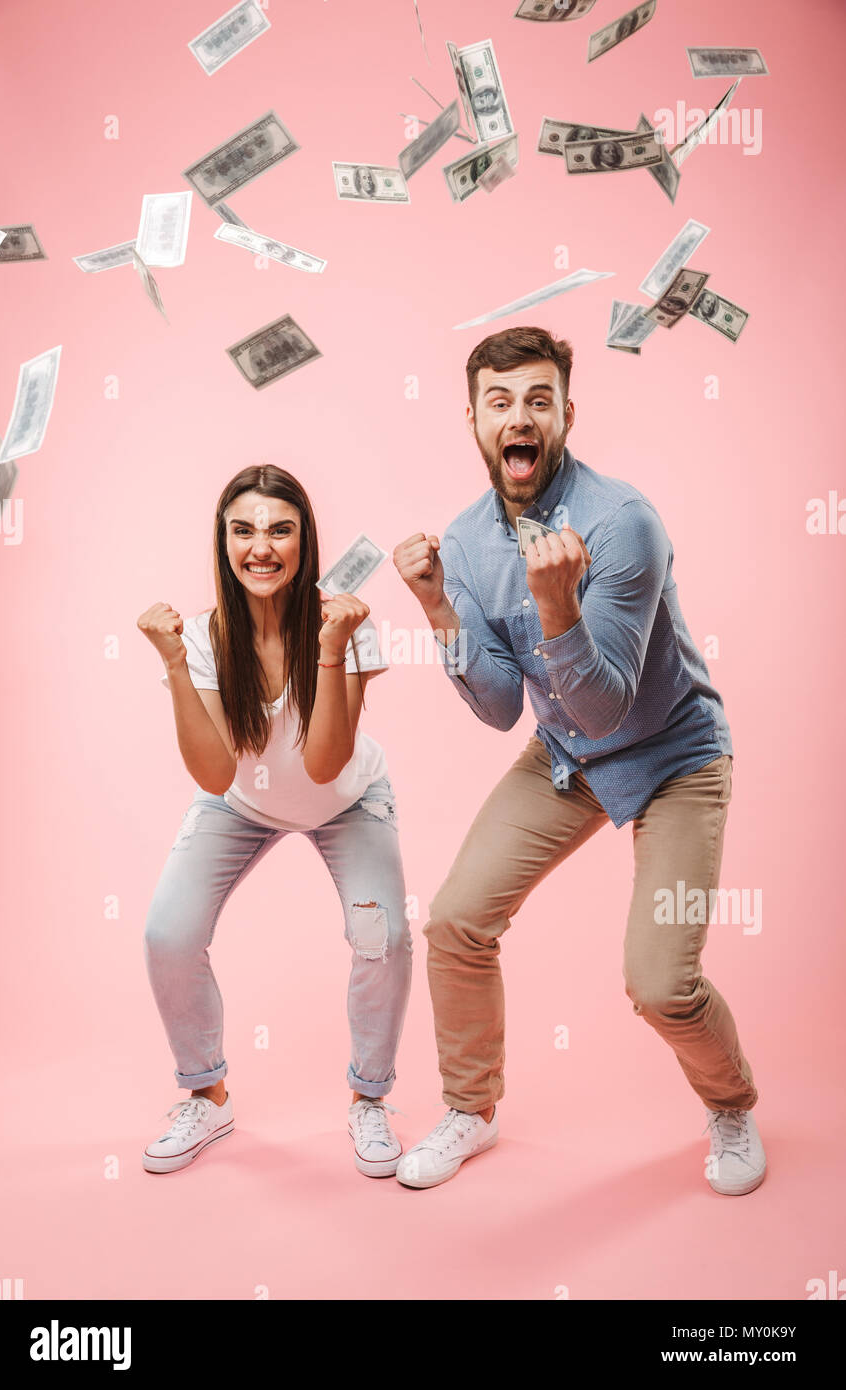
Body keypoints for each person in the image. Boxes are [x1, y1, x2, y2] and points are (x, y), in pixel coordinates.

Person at [392, 325, 764, 1195]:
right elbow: (495, 709)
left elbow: (607, 701)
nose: (519, 417)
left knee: (659, 984)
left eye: (538, 399)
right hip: (564, 757)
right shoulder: (470, 541)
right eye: (500, 401)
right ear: (476, 420)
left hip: (673, 755)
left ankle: (733, 1104)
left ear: (565, 413)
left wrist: (557, 607)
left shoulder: (623, 524)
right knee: (454, 922)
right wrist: (441, 609)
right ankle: (471, 1111)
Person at [138, 464, 412, 1176]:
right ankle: (207, 1093)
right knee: (168, 932)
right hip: (241, 803)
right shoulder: (202, 636)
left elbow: (324, 765)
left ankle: (368, 1100)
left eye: (280, 529)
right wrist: (173, 661)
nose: (261, 547)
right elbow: (215, 774)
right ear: (224, 542)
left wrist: (331, 644)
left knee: (381, 933)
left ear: (304, 541)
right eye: (244, 530)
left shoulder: (346, 624)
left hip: (347, 800)